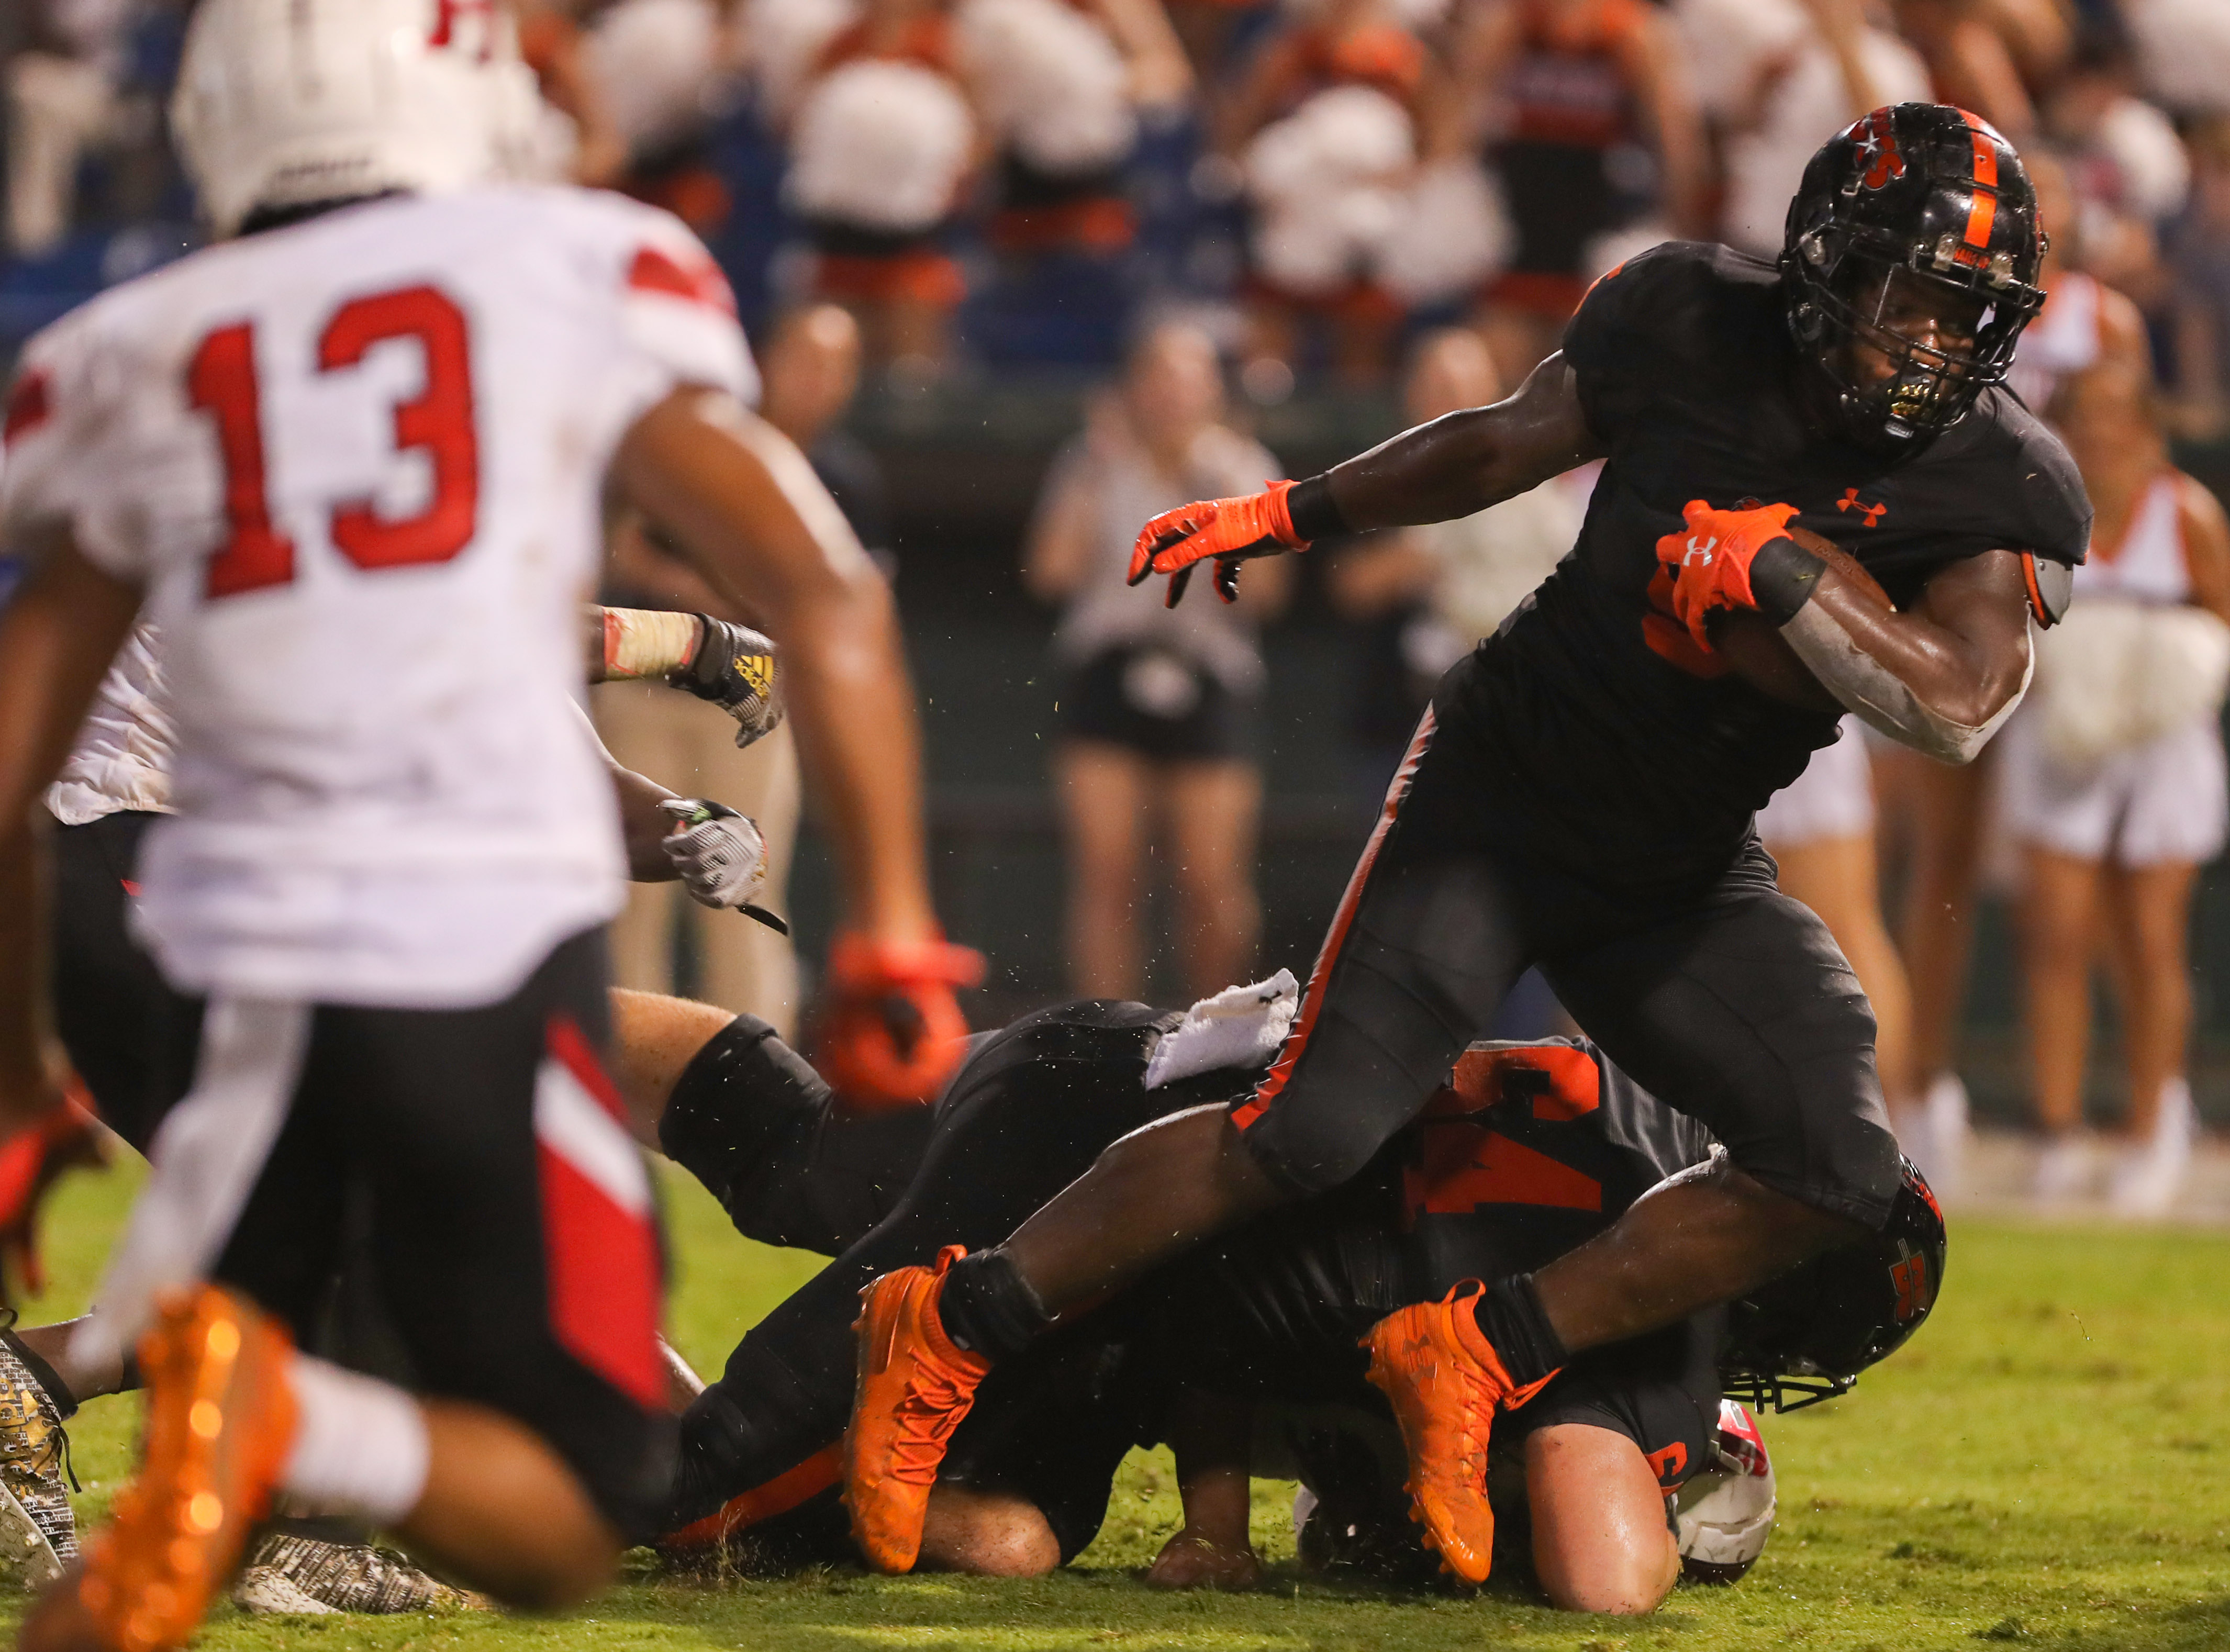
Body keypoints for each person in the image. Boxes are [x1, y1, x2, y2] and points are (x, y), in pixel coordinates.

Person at [841, 103, 2085, 1586]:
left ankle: (1483, 1348)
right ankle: (951, 1322)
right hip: (1498, 794)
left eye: (1972, 311)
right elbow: (1505, 441)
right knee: (1309, 1128)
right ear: (1825, 261)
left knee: (1833, 1172)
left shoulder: (1996, 472)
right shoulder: (1685, 314)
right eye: (1915, 294)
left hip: (1677, 863)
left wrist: (1785, 564)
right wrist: (1290, 509)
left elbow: (1958, 703)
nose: (1939, 341)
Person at [0, 4, 963, 1647]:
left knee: (332, 1294)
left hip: (197, 911)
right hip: (422, 927)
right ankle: (278, 1432)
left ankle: (191, 1405)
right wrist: (885, 907)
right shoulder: (565, 280)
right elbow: (818, 583)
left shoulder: (123, 352)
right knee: (593, 1483)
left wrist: (24, 1057)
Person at [597, 304, 885, 1039]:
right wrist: (713, 618)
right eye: (799, 356)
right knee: (632, 905)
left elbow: (849, 611)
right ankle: (627, 1093)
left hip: (753, 708)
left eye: (832, 365)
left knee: (749, 894)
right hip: (646, 689)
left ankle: (760, 1083)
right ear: (764, 358)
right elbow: (622, 549)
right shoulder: (698, 444)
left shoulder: (845, 472)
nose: (812, 378)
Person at [2000, 348, 2230, 1214]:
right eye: (2081, 413)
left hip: (2163, 742)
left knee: (2150, 933)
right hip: (2063, 734)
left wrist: (2163, 672)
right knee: (2055, 932)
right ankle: (2055, 1129)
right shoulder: (2040, 512)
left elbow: (2221, 615)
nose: (2097, 431)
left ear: (2146, 425)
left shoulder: (2191, 515)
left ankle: (2151, 1123)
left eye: (2113, 413)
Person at [1023, 321, 1290, 1002]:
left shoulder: (1242, 467)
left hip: (1210, 674)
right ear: (1132, 388)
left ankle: (1223, 1041)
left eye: (1187, 378)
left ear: (1213, 392)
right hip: (1108, 670)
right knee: (1108, 874)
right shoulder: (1092, 460)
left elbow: (1267, 595)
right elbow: (1050, 572)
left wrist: (1227, 504)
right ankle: (1106, 1040)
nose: (1171, 394)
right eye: (1157, 377)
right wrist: (1100, 467)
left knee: (1211, 879)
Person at [1754, 721, 1918, 1176]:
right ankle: (1610, 1139)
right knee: (1632, 923)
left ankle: (1881, 1159)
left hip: (1778, 691)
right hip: (1666, 696)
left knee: (1843, 933)